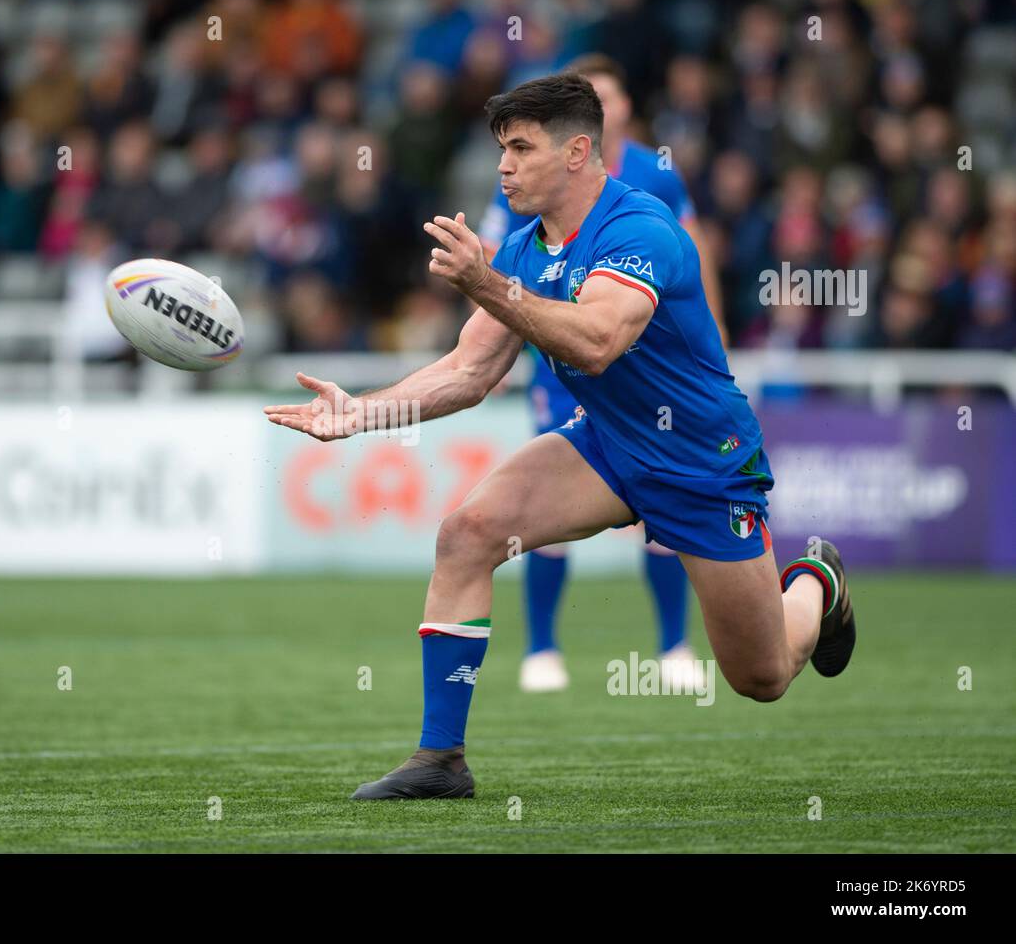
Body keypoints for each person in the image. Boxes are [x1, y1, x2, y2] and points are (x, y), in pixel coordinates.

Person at [264, 73, 856, 800]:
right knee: (468, 530)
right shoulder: (521, 249)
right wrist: (363, 414)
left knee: (761, 675)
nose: (503, 166)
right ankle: (440, 759)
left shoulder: (641, 230)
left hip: (701, 460)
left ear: (578, 151)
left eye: (520, 148)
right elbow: (469, 370)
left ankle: (815, 586)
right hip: (607, 442)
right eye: (500, 149)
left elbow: (598, 340)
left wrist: (488, 285)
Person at [476, 55, 726, 693]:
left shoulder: (651, 182)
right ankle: (541, 650)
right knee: (506, 521)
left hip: (640, 370)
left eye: (614, 99)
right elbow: (502, 263)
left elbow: (692, 254)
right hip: (562, 370)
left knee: (756, 662)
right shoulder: (527, 178)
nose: (507, 162)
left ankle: (674, 645)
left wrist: (711, 340)